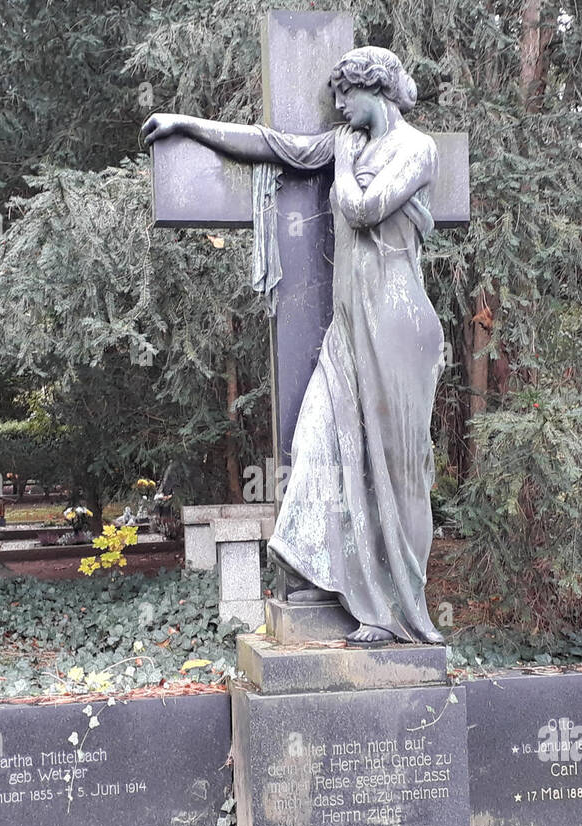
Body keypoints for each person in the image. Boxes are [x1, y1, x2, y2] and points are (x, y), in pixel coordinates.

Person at [142, 46, 444, 645]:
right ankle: (318, 571)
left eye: (345, 95)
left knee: (395, 468)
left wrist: (344, 167)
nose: (336, 107)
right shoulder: (344, 144)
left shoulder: (417, 149)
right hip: (349, 330)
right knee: (315, 441)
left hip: (396, 326)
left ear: (375, 89)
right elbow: (273, 144)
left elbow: (364, 209)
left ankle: (392, 610)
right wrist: (189, 125)